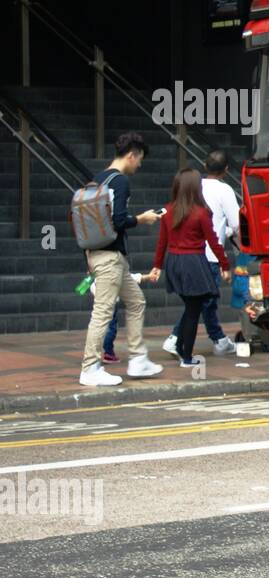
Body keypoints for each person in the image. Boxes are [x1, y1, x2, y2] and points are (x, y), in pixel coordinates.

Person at [78, 133, 165, 387]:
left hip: (100, 254)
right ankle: (90, 367)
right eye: (139, 160)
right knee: (103, 312)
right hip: (110, 258)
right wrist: (142, 218)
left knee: (136, 301)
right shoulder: (121, 182)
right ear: (132, 154)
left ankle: (139, 359)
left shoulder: (97, 179)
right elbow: (118, 220)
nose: (139, 165)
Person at [146, 168, 232, 369]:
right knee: (194, 310)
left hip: (173, 262)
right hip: (193, 262)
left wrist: (157, 265)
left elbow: (162, 242)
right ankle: (186, 356)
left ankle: (179, 344)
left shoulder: (168, 210)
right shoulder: (201, 213)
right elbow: (214, 242)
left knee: (190, 307)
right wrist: (225, 265)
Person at [161, 151, 239, 357]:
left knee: (199, 302)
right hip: (207, 255)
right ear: (227, 170)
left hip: (183, 254)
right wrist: (226, 257)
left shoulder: (192, 186)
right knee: (202, 302)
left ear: (204, 165)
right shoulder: (224, 190)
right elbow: (236, 224)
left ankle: (216, 339)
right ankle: (179, 339)